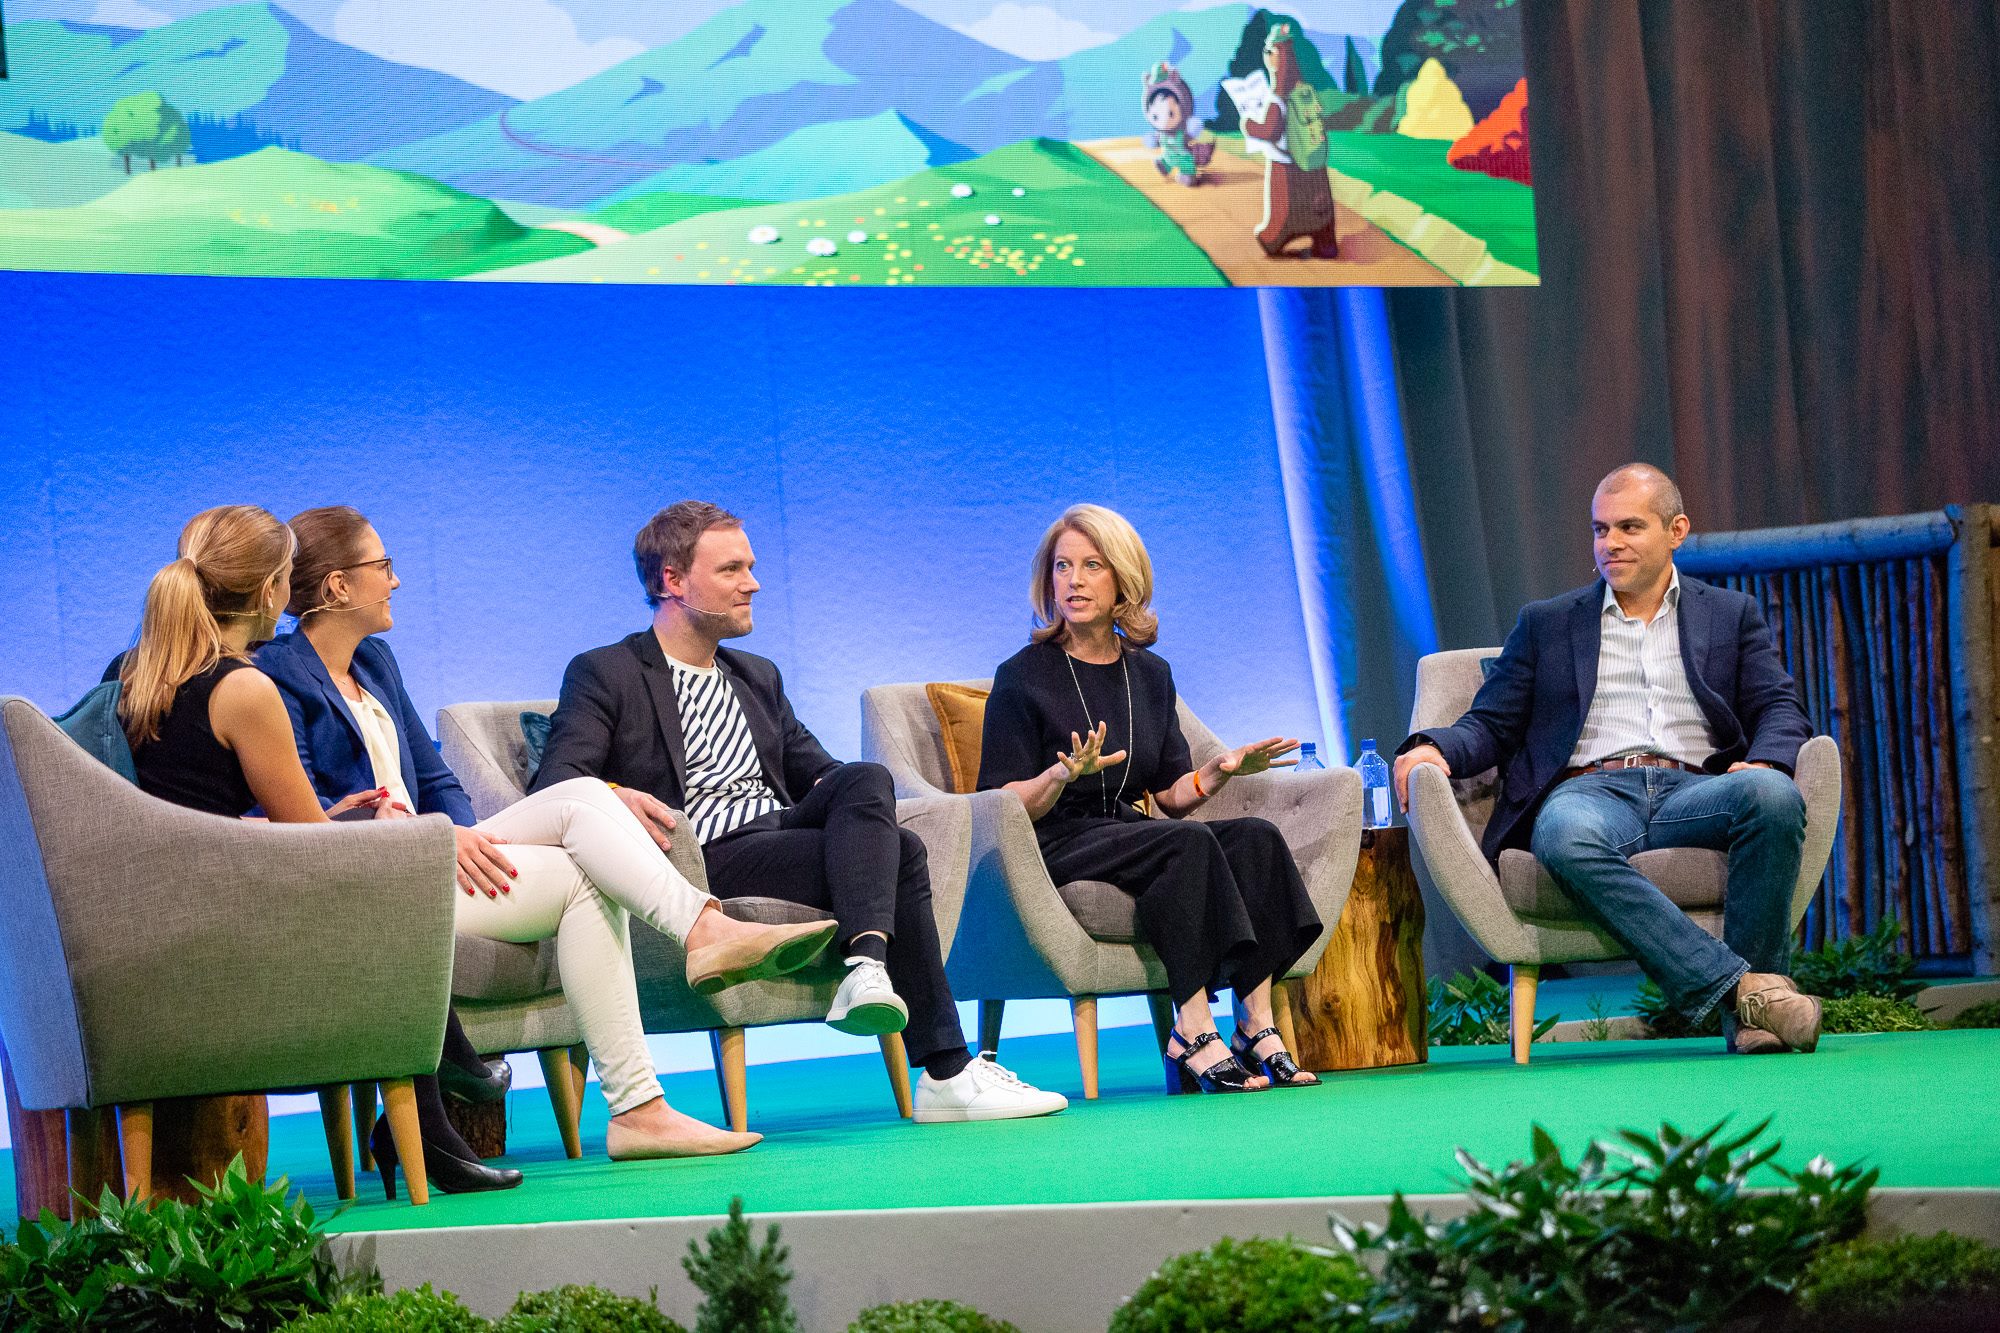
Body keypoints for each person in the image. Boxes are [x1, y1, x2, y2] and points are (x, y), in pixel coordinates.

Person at [119, 506, 835, 1203]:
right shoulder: (268, 675)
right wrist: (424, 838)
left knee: (585, 802)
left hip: (426, 852)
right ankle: (661, 1043)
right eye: (383, 565)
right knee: (586, 861)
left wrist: (459, 837)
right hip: (375, 870)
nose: (396, 579)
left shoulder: (373, 660)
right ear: (332, 586)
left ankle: (663, 1045)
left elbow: (436, 780)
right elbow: (301, 824)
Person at [532, 501, 1066, 1124]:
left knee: (867, 780)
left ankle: (870, 972)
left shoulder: (756, 676)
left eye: (751, 567)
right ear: (672, 580)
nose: (753, 583)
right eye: (732, 570)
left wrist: (859, 807)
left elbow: (821, 772)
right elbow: (556, 783)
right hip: (702, 857)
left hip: (779, 834)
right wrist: (615, 794)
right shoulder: (608, 671)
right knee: (903, 853)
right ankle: (941, 1066)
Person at [1394, 464, 1821, 1055]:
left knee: (1773, 796)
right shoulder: (1548, 623)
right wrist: (1433, 746)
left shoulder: (1730, 613)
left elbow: (1777, 706)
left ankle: (1748, 1013)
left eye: (1629, 527)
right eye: (1600, 529)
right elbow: (1492, 723)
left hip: (1695, 789)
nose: (1610, 543)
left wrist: (1770, 763)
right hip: (1591, 791)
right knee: (1563, 836)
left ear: (1676, 530)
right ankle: (1751, 995)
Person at [977, 504, 1323, 1094]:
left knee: (1256, 839)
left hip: (1127, 829)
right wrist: (1059, 775)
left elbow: (1170, 794)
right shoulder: (1023, 674)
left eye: (1092, 566)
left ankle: (1254, 1024)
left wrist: (1217, 773)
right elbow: (999, 802)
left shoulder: (1151, 674)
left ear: (1124, 581)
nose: (1074, 581)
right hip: (1055, 837)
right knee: (1184, 845)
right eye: (1062, 567)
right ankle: (1193, 1029)